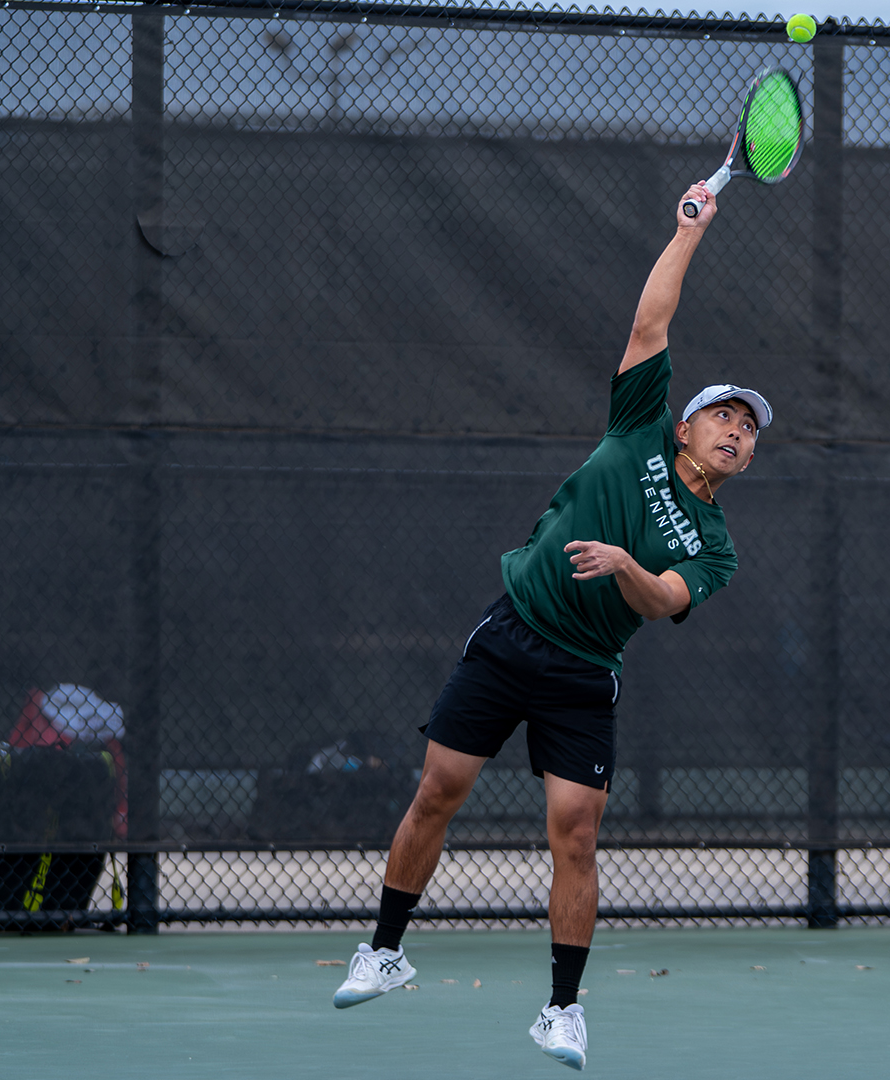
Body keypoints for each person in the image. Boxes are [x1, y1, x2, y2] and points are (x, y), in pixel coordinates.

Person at [330, 180, 772, 1069]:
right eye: (722, 416)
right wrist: (688, 231)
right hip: (512, 632)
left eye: (750, 429)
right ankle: (385, 949)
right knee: (437, 792)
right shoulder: (639, 423)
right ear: (684, 426)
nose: (736, 432)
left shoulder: (717, 544)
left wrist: (628, 567)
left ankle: (561, 1010)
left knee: (575, 832)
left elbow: (665, 602)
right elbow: (652, 322)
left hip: (583, 672)